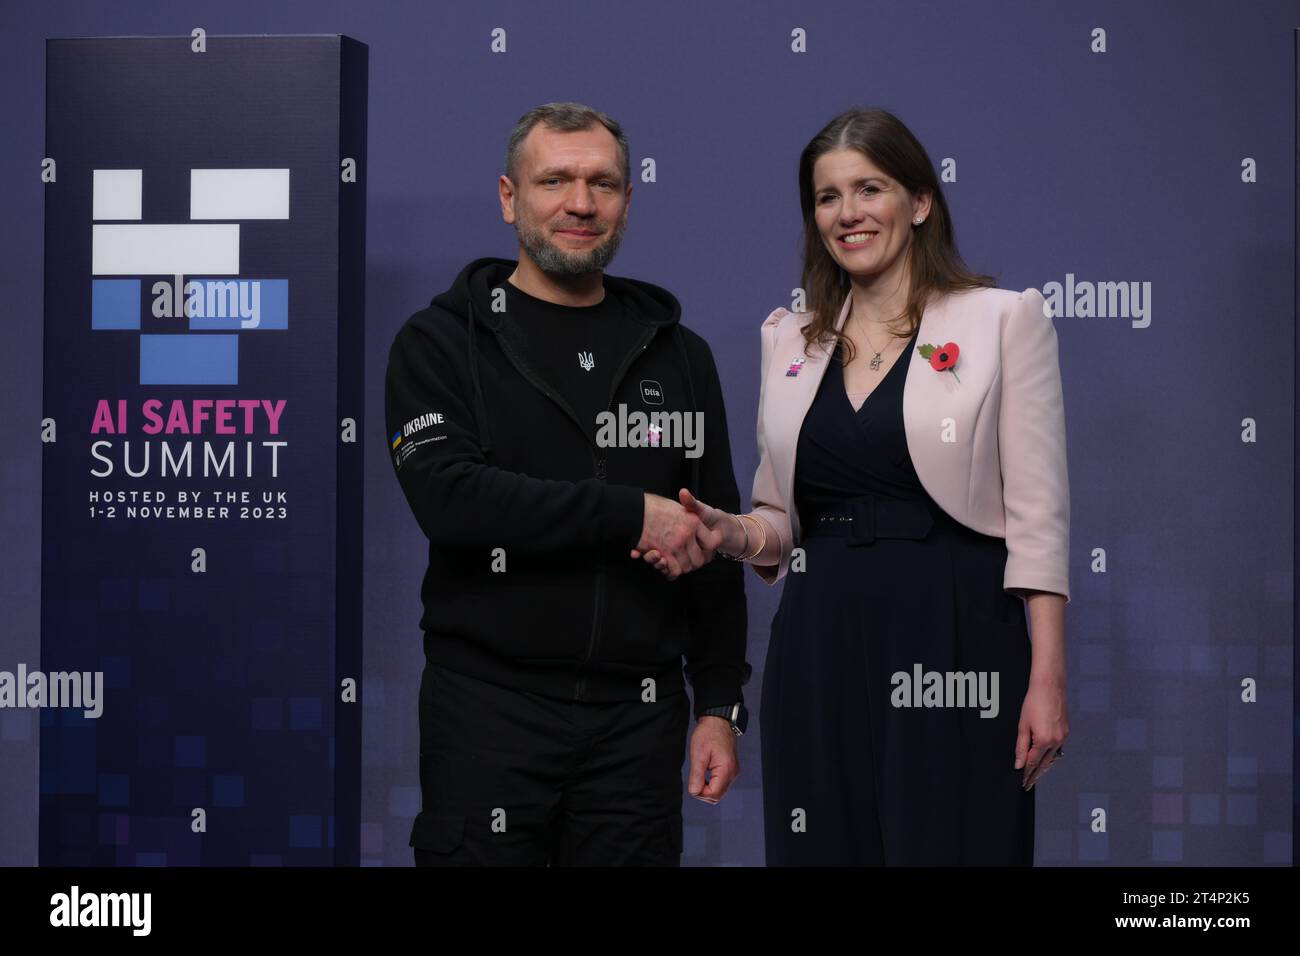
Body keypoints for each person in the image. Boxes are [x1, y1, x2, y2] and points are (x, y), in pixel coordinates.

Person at [637, 107, 1070, 865]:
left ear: (921, 202)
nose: (848, 213)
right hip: (820, 635)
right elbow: (780, 516)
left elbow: (1038, 519)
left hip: (955, 631)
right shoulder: (787, 337)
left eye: (869, 189)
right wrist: (729, 532)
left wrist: (1047, 679)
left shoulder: (1004, 321)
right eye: (827, 196)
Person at [384, 102, 751, 866]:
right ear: (509, 197)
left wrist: (718, 705)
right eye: (555, 180)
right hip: (487, 714)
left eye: (603, 184)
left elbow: (709, 537)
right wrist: (628, 517)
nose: (581, 203)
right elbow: (451, 500)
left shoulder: (680, 354)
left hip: (638, 725)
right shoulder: (441, 341)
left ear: (626, 201)